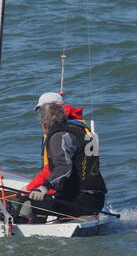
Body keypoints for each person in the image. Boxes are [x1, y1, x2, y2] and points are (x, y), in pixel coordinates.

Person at [16, 92, 106, 222]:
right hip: (96, 199)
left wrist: (43, 188)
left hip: (79, 201)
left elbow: (63, 167)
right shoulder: (82, 129)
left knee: (26, 203)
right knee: (42, 200)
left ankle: (26, 234)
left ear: (44, 120)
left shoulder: (60, 135)